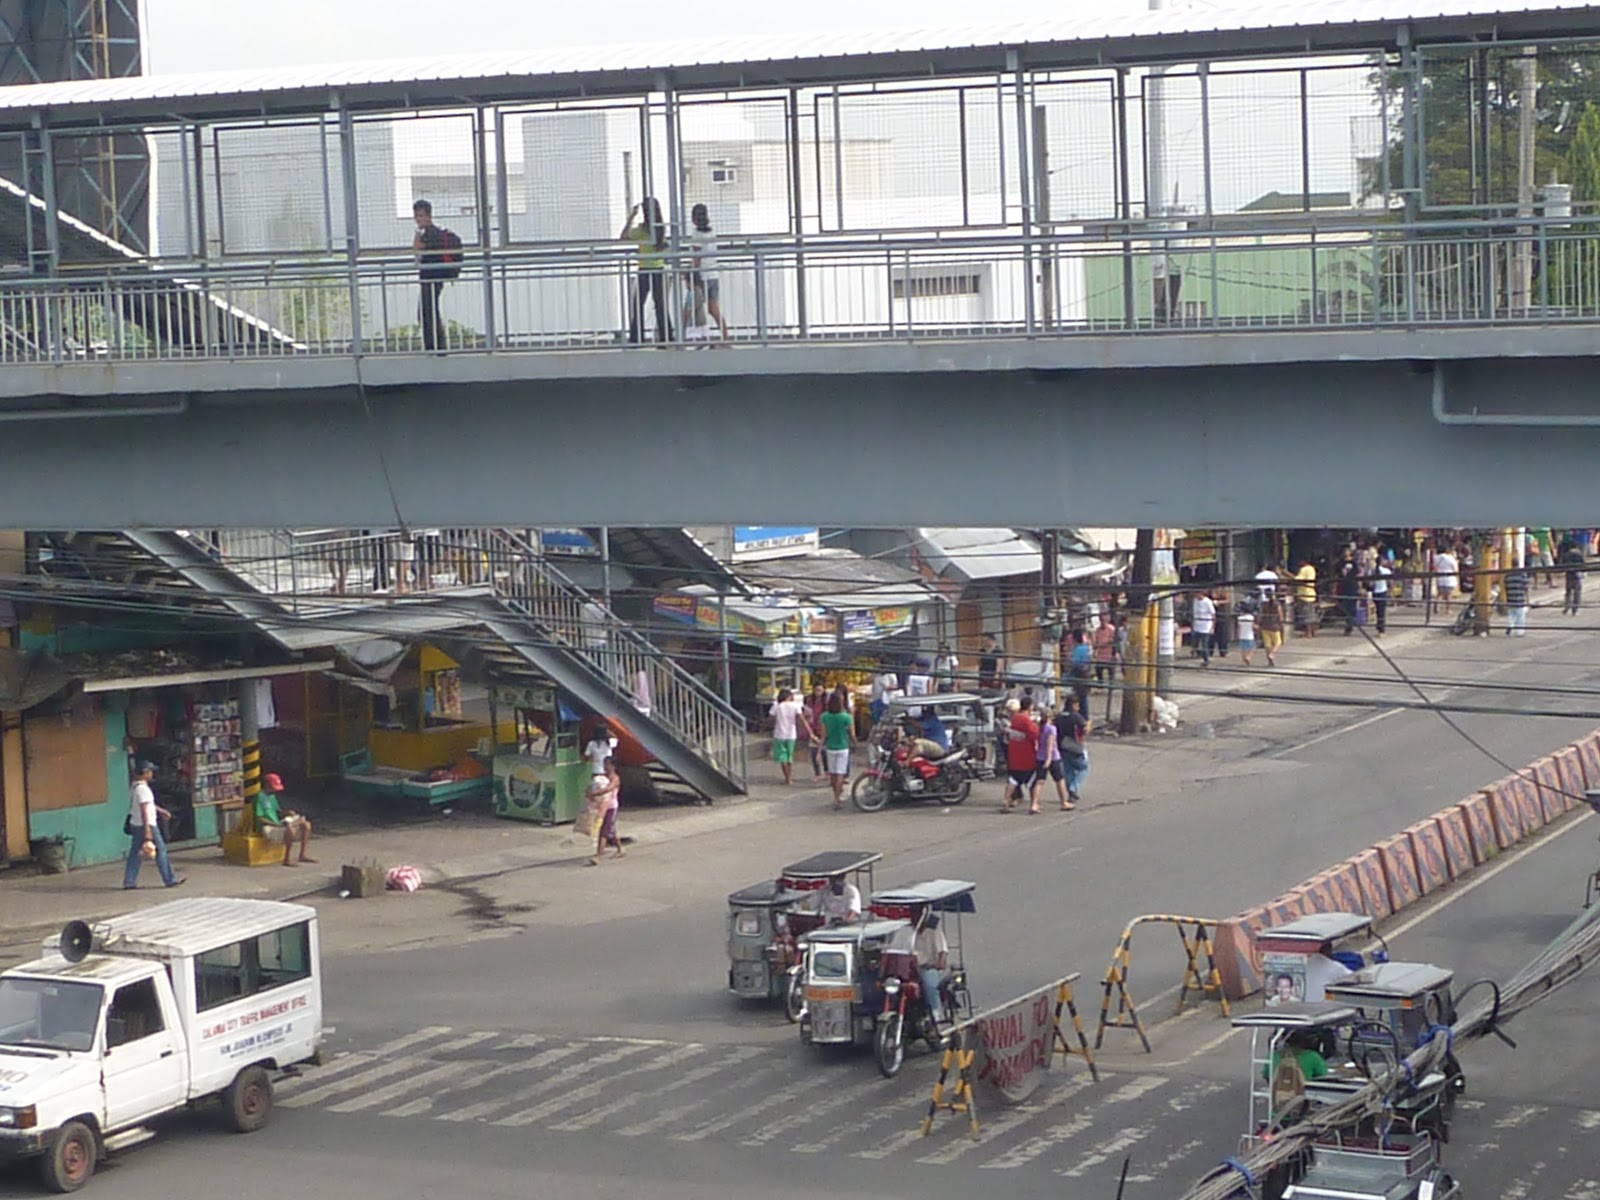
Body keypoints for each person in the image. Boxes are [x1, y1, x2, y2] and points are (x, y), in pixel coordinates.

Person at [123, 761, 184, 890]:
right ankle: (169, 879)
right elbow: (144, 810)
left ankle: (129, 881)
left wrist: (161, 811)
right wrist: (148, 831)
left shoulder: (135, 787)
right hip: (147, 824)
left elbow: (148, 804)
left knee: (135, 853)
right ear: (144, 773)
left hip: (136, 824)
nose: (151, 773)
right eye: (150, 771)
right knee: (161, 850)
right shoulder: (143, 789)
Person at [623, 197, 673, 344]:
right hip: (659, 269)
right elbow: (664, 247)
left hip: (644, 269)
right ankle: (666, 337)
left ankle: (637, 337)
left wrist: (631, 217)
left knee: (638, 304)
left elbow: (624, 237)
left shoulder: (642, 230)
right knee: (660, 305)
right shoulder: (660, 228)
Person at [683, 203, 728, 343]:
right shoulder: (712, 232)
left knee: (688, 309)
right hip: (713, 274)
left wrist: (689, 275)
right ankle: (726, 338)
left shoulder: (696, 235)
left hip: (701, 277)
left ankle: (679, 340)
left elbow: (697, 259)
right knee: (714, 310)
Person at [412, 199, 451, 352]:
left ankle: (435, 347)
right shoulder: (431, 233)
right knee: (429, 312)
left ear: (429, 216)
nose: (418, 219)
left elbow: (417, 249)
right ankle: (436, 346)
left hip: (432, 278)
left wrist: (417, 235)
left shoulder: (431, 234)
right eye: (416, 216)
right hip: (430, 278)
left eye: (421, 216)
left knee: (427, 313)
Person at [254, 773, 315, 868]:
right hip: (267, 827)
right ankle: (287, 858)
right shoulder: (259, 797)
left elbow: (277, 811)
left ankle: (302, 855)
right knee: (289, 829)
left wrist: (287, 813)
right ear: (267, 785)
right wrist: (276, 825)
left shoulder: (272, 796)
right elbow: (259, 818)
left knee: (306, 824)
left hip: (277, 823)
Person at [769, 687, 814, 786]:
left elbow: (771, 718)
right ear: (789, 696)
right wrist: (810, 733)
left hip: (779, 734)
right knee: (790, 757)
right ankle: (790, 777)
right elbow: (802, 720)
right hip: (791, 734)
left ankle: (787, 778)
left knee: (782, 758)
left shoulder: (776, 706)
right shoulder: (795, 706)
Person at [1002, 696, 1040, 812]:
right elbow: (1035, 734)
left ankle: (1006, 800)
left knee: (1013, 780)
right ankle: (1034, 805)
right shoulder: (1026, 720)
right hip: (1026, 756)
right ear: (1030, 707)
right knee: (1033, 782)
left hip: (1014, 755)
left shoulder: (1015, 719)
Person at [820, 692, 856, 810]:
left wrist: (819, 748)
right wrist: (855, 743)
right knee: (841, 773)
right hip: (843, 747)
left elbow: (823, 735)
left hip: (830, 747)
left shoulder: (825, 716)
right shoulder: (846, 717)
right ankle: (837, 798)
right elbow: (852, 734)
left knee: (833, 773)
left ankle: (835, 795)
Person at [913, 909, 950, 1024]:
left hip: (927, 967)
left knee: (929, 985)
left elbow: (942, 950)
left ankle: (936, 1012)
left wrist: (940, 962)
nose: (915, 917)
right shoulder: (906, 929)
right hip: (909, 969)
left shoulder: (934, 928)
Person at [1030, 706, 1067, 815]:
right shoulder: (1051, 729)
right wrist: (1049, 759)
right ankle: (1064, 802)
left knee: (1039, 781)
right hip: (1053, 757)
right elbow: (1050, 745)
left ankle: (1034, 804)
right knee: (1059, 780)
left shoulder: (1039, 728)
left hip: (1039, 757)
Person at [587, 758, 624, 865]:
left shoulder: (615, 778)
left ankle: (598, 855)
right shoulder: (602, 777)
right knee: (610, 830)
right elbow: (592, 786)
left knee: (604, 831)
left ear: (613, 766)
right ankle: (620, 848)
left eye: (607, 764)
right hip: (601, 806)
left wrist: (595, 793)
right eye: (604, 764)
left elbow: (608, 789)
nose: (605, 767)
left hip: (611, 807)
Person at [1057, 695, 1090, 808]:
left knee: (1068, 770)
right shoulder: (1076, 716)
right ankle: (1073, 787)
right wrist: (1089, 725)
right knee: (1084, 768)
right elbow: (1085, 729)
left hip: (1062, 745)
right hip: (1075, 745)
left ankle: (1070, 792)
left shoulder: (1059, 716)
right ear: (1074, 705)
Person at [803, 682, 829, 782]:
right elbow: (806, 714)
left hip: (825, 729)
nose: (818, 692)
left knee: (825, 752)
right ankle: (817, 773)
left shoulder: (827, 701)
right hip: (813, 729)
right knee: (814, 752)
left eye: (820, 690)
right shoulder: (809, 701)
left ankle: (827, 772)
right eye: (816, 690)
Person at [1067, 628, 1093, 713]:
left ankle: (1083, 715)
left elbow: (1075, 663)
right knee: (1083, 697)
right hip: (1086, 674)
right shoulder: (1086, 648)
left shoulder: (1078, 649)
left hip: (1080, 675)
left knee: (1081, 697)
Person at [1257, 592, 1285, 667]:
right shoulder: (1276, 604)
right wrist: (1281, 623)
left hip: (1265, 626)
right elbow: (1280, 615)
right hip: (1274, 626)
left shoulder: (1263, 604)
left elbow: (1260, 614)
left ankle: (1270, 661)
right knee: (1278, 642)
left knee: (1267, 645)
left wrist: (1259, 623)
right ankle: (1272, 654)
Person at [1503, 563, 1530, 637]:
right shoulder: (1522, 574)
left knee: (1511, 614)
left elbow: (1505, 586)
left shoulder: (1508, 575)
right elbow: (1526, 588)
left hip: (1510, 598)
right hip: (1519, 598)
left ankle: (1510, 625)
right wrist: (1528, 600)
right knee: (1520, 616)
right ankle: (1519, 632)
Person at [1293, 559, 1319, 636]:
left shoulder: (1303, 569)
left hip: (1304, 594)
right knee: (1311, 614)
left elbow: (1298, 580)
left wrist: (1285, 573)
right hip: (1311, 593)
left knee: (1306, 614)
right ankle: (1312, 631)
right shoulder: (1312, 569)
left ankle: (1308, 632)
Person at [1190, 590, 1215, 666]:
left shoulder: (1207, 602)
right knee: (1194, 643)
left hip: (1205, 626)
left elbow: (1213, 614)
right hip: (1197, 625)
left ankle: (1206, 659)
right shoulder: (1195, 601)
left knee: (1204, 644)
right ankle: (1198, 653)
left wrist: (1212, 627)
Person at [1434, 545, 1460, 616]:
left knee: (1439, 593)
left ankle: (1437, 606)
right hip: (1449, 578)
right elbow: (1455, 568)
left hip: (1440, 577)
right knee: (1449, 595)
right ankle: (1448, 609)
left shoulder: (1435, 558)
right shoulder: (1450, 558)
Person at [1562, 539, 1585, 615]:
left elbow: (1563, 565)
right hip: (1577, 575)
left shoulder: (1566, 555)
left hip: (1569, 575)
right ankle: (1575, 607)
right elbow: (1583, 564)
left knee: (1568, 592)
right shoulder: (1579, 554)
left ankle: (1567, 605)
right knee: (1577, 592)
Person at [1371, 555, 1392, 635]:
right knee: (1382, 611)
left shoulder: (1373, 570)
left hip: (1375, 592)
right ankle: (1381, 629)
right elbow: (1390, 581)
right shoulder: (1385, 570)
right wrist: (1390, 591)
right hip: (1382, 592)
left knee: (1377, 611)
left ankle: (1379, 626)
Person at [1236, 602, 1257, 667]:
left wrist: (1238, 634)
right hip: (1250, 635)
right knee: (1252, 647)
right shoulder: (1251, 617)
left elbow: (1239, 627)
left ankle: (1244, 660)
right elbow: (1253, 626)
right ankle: (1248, 657)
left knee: (1243, 649)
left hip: (1242, 635)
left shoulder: (1240, 618)